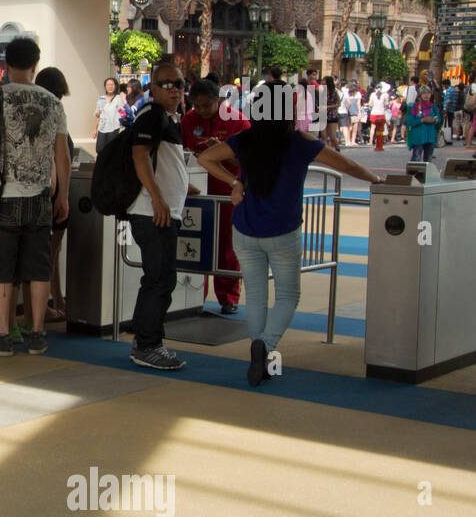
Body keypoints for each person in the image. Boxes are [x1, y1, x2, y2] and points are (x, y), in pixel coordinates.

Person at [198, 117, 380, 386]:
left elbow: (205, 158)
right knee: (287, 295)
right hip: (283, 231)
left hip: (245, 228)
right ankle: (265, 347)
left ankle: (258, 355)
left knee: (256, 296)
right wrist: (377, 179)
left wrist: (234, 183)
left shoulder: (245, 139)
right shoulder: (299, 142)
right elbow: (347, 164)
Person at [0, 37, 69, 356]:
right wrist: (61, 194)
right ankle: (37, 334)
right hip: (40, 196)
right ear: (35, 65)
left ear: (6, 65)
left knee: (2, 267)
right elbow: (61, 154)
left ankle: (4, 334)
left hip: (3, 194)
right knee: (38, 267)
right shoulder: (53, 102)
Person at [126, 62, 193, 371]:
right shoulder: (152, 115)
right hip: (152, 213)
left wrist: (182, 186)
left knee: (159, 277)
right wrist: (157, 198)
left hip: (161, 210)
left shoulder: (167, 118)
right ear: (152, 87)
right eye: (168, 84)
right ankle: (148, 344)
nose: (175, 89)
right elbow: (140, 155)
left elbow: (162, 161)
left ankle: (146, 340)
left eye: (179, 83)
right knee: (160, 278)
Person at [179, 78, 249, 315]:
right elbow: (179, 150)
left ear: (219, 100)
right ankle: (194, 297)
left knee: (227, 246)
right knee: (195, 243)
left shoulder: (238, 121)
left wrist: (222, 150)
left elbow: (249, 160)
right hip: (196, 191)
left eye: (206, 105)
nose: (200, 110)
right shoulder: (188, 120)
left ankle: (228, 297)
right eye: (196, 105)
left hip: (228, 192)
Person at [36, 67, 76, 324]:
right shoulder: (56, 115)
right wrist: (63, 196)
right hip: (54, 194)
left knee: (47, 253)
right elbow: (63, 159)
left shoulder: (35, 115)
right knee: (51, 253)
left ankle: (55, 301)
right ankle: (53, 302)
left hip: (38, 194)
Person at [406, 83, 440, 164]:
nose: (426, 95)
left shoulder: (433, 106)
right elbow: (410, 122)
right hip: (419, 138)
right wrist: (422, 120)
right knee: (416, 160)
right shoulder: (415, 106)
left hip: (430, 137)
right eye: (424, 93)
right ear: (420, 95)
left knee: (428, 161)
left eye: (428, 93)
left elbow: (439, 118)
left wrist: (435, 120)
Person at [94, 76, 125, 153]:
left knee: (112, 150)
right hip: (102, 128)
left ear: (115, 86)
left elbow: (123, 113)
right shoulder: (102, 98)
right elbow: (98, 115)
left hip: (114, 128)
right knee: (100, 150)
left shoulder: (118, 98)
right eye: (108, 85)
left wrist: (122, 115)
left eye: (112, 85)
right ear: (105, 86)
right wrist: (95, 129)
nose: (110, 87)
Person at [369, 82, 388, 151]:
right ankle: (380, 142)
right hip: (381, 113)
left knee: (373, 127)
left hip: (374, 113)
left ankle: (371, 141)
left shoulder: (372, 94)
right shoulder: (384, 95)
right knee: (381, 129)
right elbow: (386, 104)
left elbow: (370, 104)